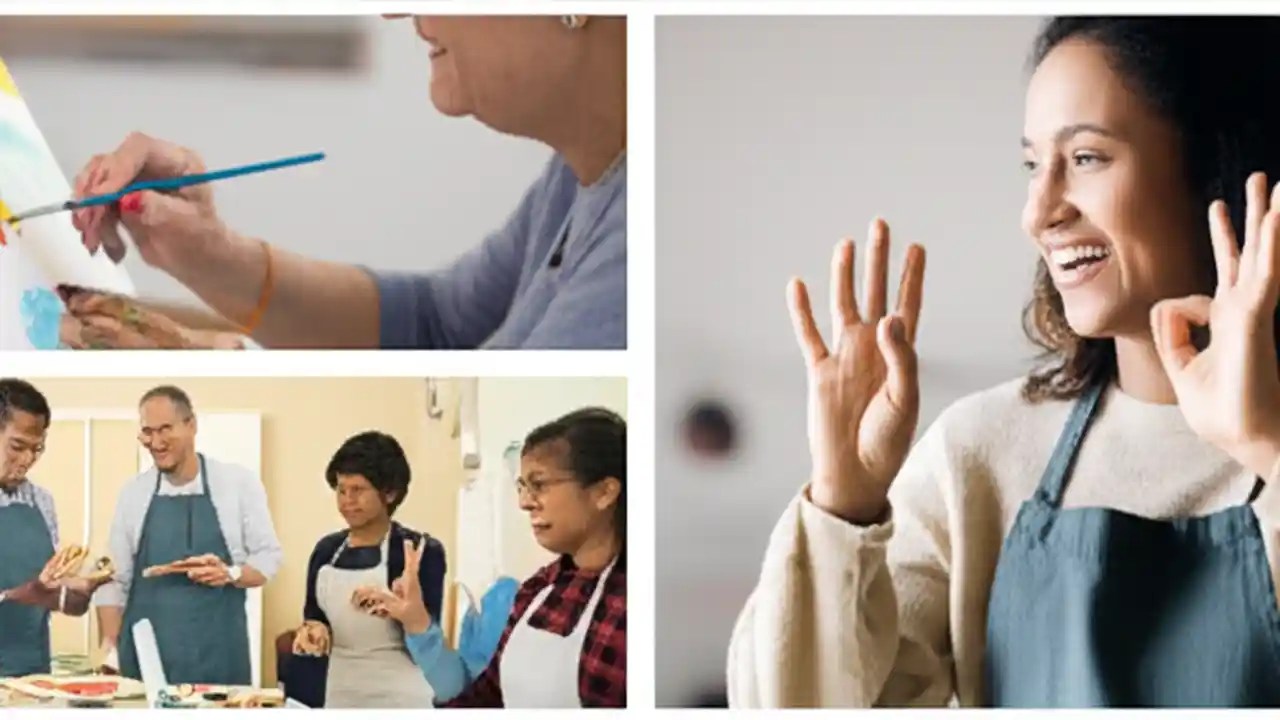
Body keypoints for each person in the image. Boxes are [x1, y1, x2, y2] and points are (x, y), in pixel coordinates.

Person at [727, 17, 1280, 708]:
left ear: (1214, 167)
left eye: (1085, 158)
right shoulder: (982, 453)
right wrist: (843, 503)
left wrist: (1267, 445)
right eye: (1032, 166)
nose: (1039, 211)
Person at [58, 15, 627, 351]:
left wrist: (209, 364)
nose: (392, 12)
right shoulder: (573, 178)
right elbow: (434, 325)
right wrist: (210, 254)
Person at [366, 407, 627, 708]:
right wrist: (417, 622)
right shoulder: (536, 590)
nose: (525, 503)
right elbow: (488, 695)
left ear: (604, 492)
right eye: (522, 487)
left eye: (539, 485)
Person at [94, 385, 284, 686]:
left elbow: (269, 557)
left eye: (165, 429)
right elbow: (113, 578)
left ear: (191, 425)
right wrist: (110, 646)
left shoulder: (237, 484)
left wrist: (230, 573)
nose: (155, 442)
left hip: (219, 655)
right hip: (146, 660)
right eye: (147, 432)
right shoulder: (134, 494)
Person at [288, 431, 447, 709]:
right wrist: (313, 631)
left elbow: (428, 645)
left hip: (403, 696)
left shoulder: (420, 551)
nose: (347, 500)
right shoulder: (326, 551)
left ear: (390, 492)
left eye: (358, 490)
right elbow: (314, 615)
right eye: (341, 489)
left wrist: (398, 609)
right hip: (340, 692)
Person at [0, 379, 60, 676]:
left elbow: (52, 591)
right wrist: (12, 596)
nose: (27, 460)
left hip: (34, 675)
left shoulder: (42, 502)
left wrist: (77, 593)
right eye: (17, 447)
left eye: (37, 450)